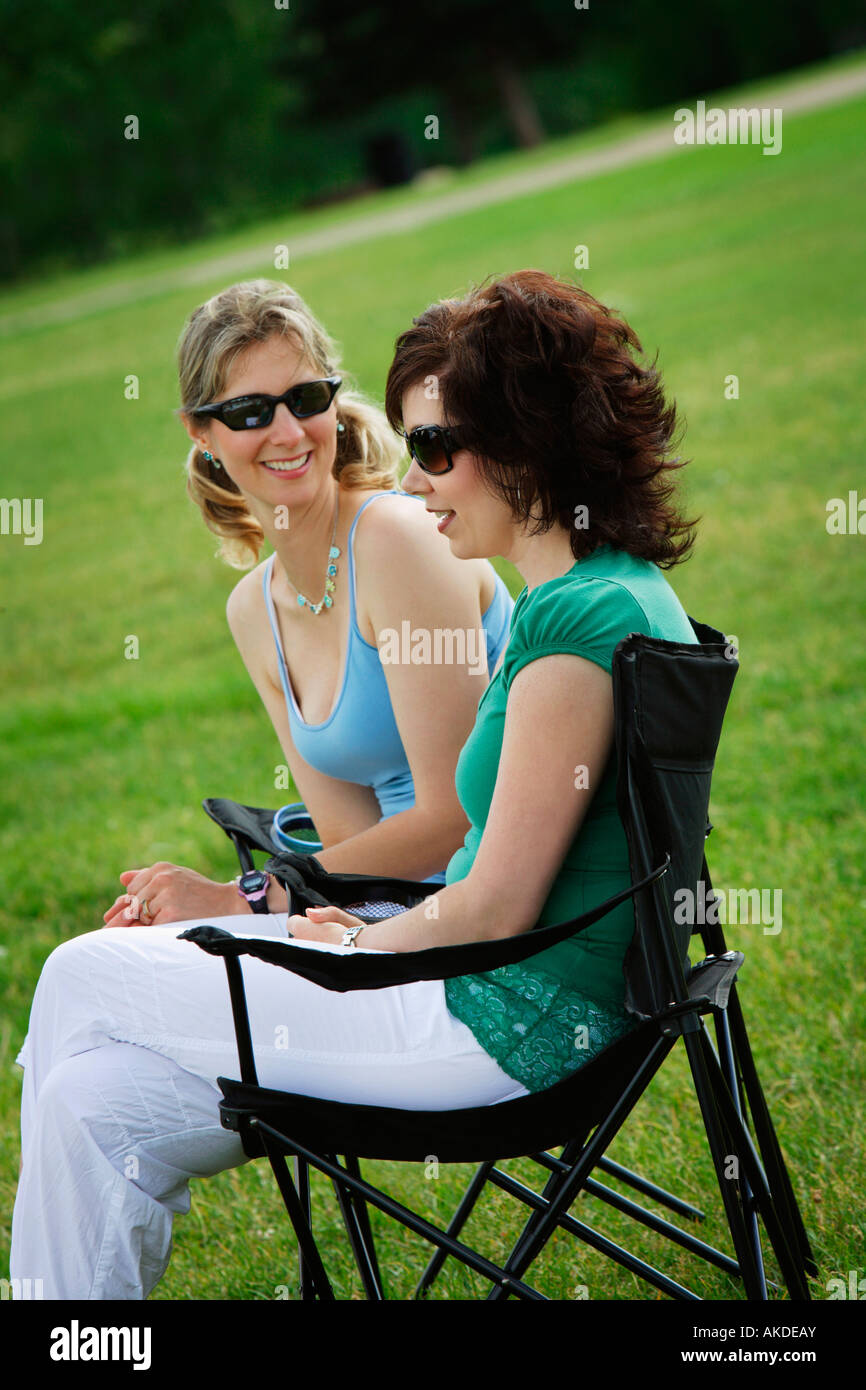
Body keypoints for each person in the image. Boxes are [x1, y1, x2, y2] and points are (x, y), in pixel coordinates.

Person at [10, 270, 698, 1299]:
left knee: (77, 973)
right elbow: (448, 870)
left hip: (496, 1027)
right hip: (469, 986)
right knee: (88, 1102)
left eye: (434, 449)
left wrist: (358, 938)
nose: (414, 483)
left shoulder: (574, 624)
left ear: (524, 441)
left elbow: (492, 896)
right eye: (412, 448)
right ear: (201, 433)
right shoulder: (601, 595)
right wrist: (332, 922)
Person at [102, 278, 513, 937]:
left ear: (333, 399)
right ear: (200, 432)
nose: (288, 432)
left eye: (305, 399)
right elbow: (350, 846)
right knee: (115, 961)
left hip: (487, 918)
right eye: (249, 413)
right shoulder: (252, 611)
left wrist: (251, 899)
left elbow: (457, 820)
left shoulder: (397, 542)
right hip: (389, 914)